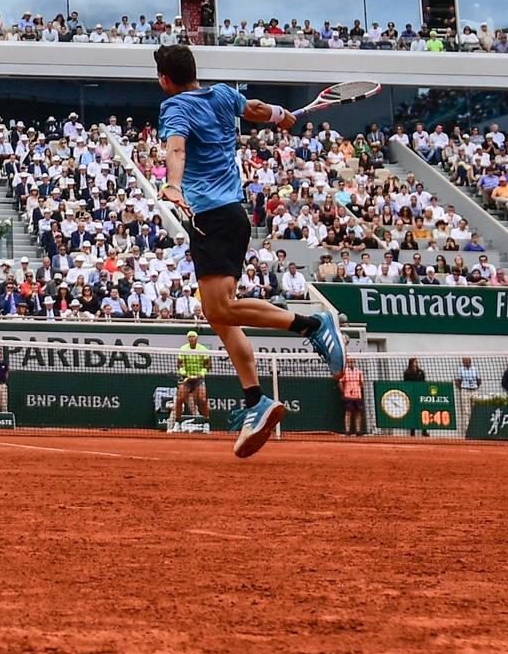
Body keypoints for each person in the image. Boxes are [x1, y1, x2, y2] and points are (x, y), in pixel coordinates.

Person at [151, 43, 344, 459]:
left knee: (222, 308)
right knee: (217, 314)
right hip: (229, 216)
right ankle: (255, 398)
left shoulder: (175, 107)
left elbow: (177, 148)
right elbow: (254, 107)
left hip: (213, 216)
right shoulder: (221, 94)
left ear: (165, 80)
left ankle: (312, 324)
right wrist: (280, 116)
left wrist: (173, 183)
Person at [172, 329, 213, 426]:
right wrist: (185, 374)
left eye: (193, 336)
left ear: (197, 338)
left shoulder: (202, 349)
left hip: (199, 378)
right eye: (189, 337)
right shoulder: (183, 349)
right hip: (187, 379)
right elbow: (179, 365)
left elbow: (208, 365)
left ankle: (206, 423)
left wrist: (201, 374)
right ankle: (177, 422)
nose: (191, 338)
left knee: (202, 399)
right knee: (180, 399)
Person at [338, 359, 366, 435]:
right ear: (347, 363)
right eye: (350, 362)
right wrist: (344, 391)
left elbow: (362, 383)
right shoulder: (344, 372)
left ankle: (358, 431)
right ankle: (347, 431)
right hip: (348, 395)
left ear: (354, 363)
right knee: (348, 413)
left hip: (358, 395)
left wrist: (358, 388)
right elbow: (340, 382)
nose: (351, 363)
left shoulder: (359, 372)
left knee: (358, 413)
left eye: (352, 362)